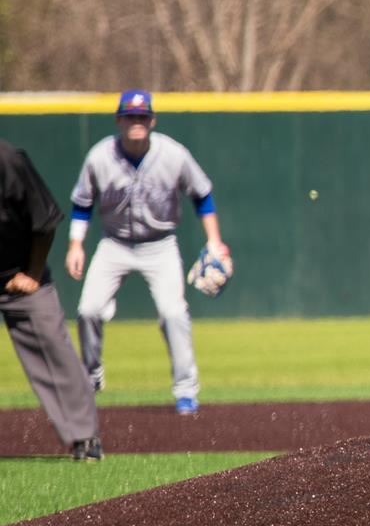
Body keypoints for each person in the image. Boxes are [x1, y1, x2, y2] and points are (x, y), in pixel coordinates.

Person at [66, 90, 230, 414]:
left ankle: (186, 392)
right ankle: (92, 374)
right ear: (119, 120)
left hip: (160, 245)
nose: (136, 122)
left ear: (152, 121)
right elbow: (82, 203)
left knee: (173, 314)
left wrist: (214, 241)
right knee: (88, 310)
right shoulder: (100, 157)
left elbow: (203, 195)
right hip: (114, 243)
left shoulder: (173, 154)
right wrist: (75, 244)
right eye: (130, 116)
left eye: (142, 116)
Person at [0, 138, 102, 460]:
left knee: (52, 348)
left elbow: (44, 222)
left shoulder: (8, 161)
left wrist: (31, 274)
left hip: (18, 273)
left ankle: (84, 439)